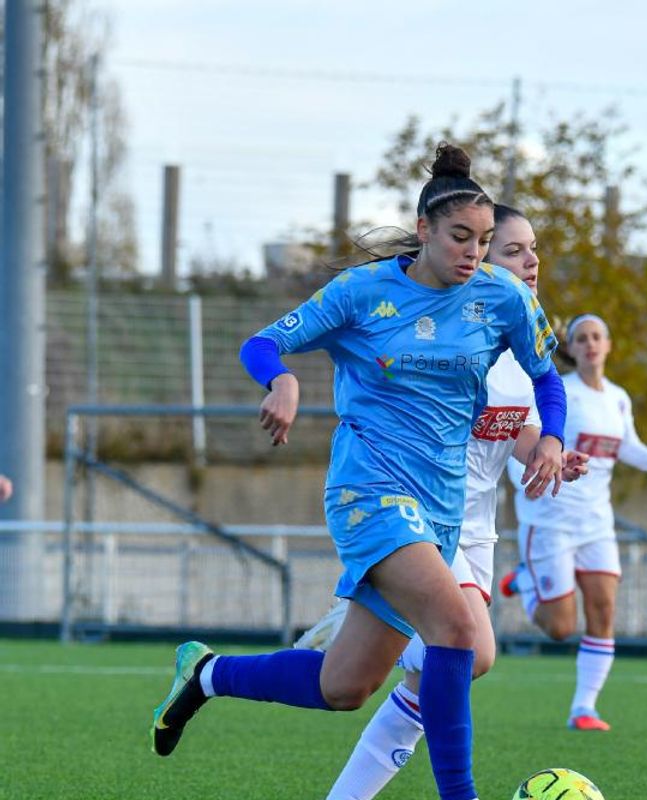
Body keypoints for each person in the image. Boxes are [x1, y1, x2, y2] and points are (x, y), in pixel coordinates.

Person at [149, 144, 566, 800]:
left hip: (441, 508)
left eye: (485, 242)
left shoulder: (503, 298)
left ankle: (206, 674)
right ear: (424, 229)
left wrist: (552, 441)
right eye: (461, 237)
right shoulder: (362, 293)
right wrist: (281, 378)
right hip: (368, 491)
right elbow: (261, 342)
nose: (474, 254)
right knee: (457, 632)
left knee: (342, 687)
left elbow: (548, 379)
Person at [318, 205, 588, 800]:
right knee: (465, 649)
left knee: (354, 684)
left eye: (531, 248)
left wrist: (547, 449)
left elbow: (505, 428)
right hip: (421, 520)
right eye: (513, 251)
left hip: (476, 530)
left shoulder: (518, 345)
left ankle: (211, 676)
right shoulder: (457, 339)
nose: (531, 260)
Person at [500, 313, 647, 731]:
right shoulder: (557, 392)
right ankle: (526, 579)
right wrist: (529, 483)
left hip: (596, 522)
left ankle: (584, 709)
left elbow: (629, 448)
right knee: (560, 627)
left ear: (608, 344)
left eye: (597, 336)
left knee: (603, 608)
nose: (590, 344)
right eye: (581, 338)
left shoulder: (619, 398)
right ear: (572, 347)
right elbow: (525, 446)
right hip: (550, 518)